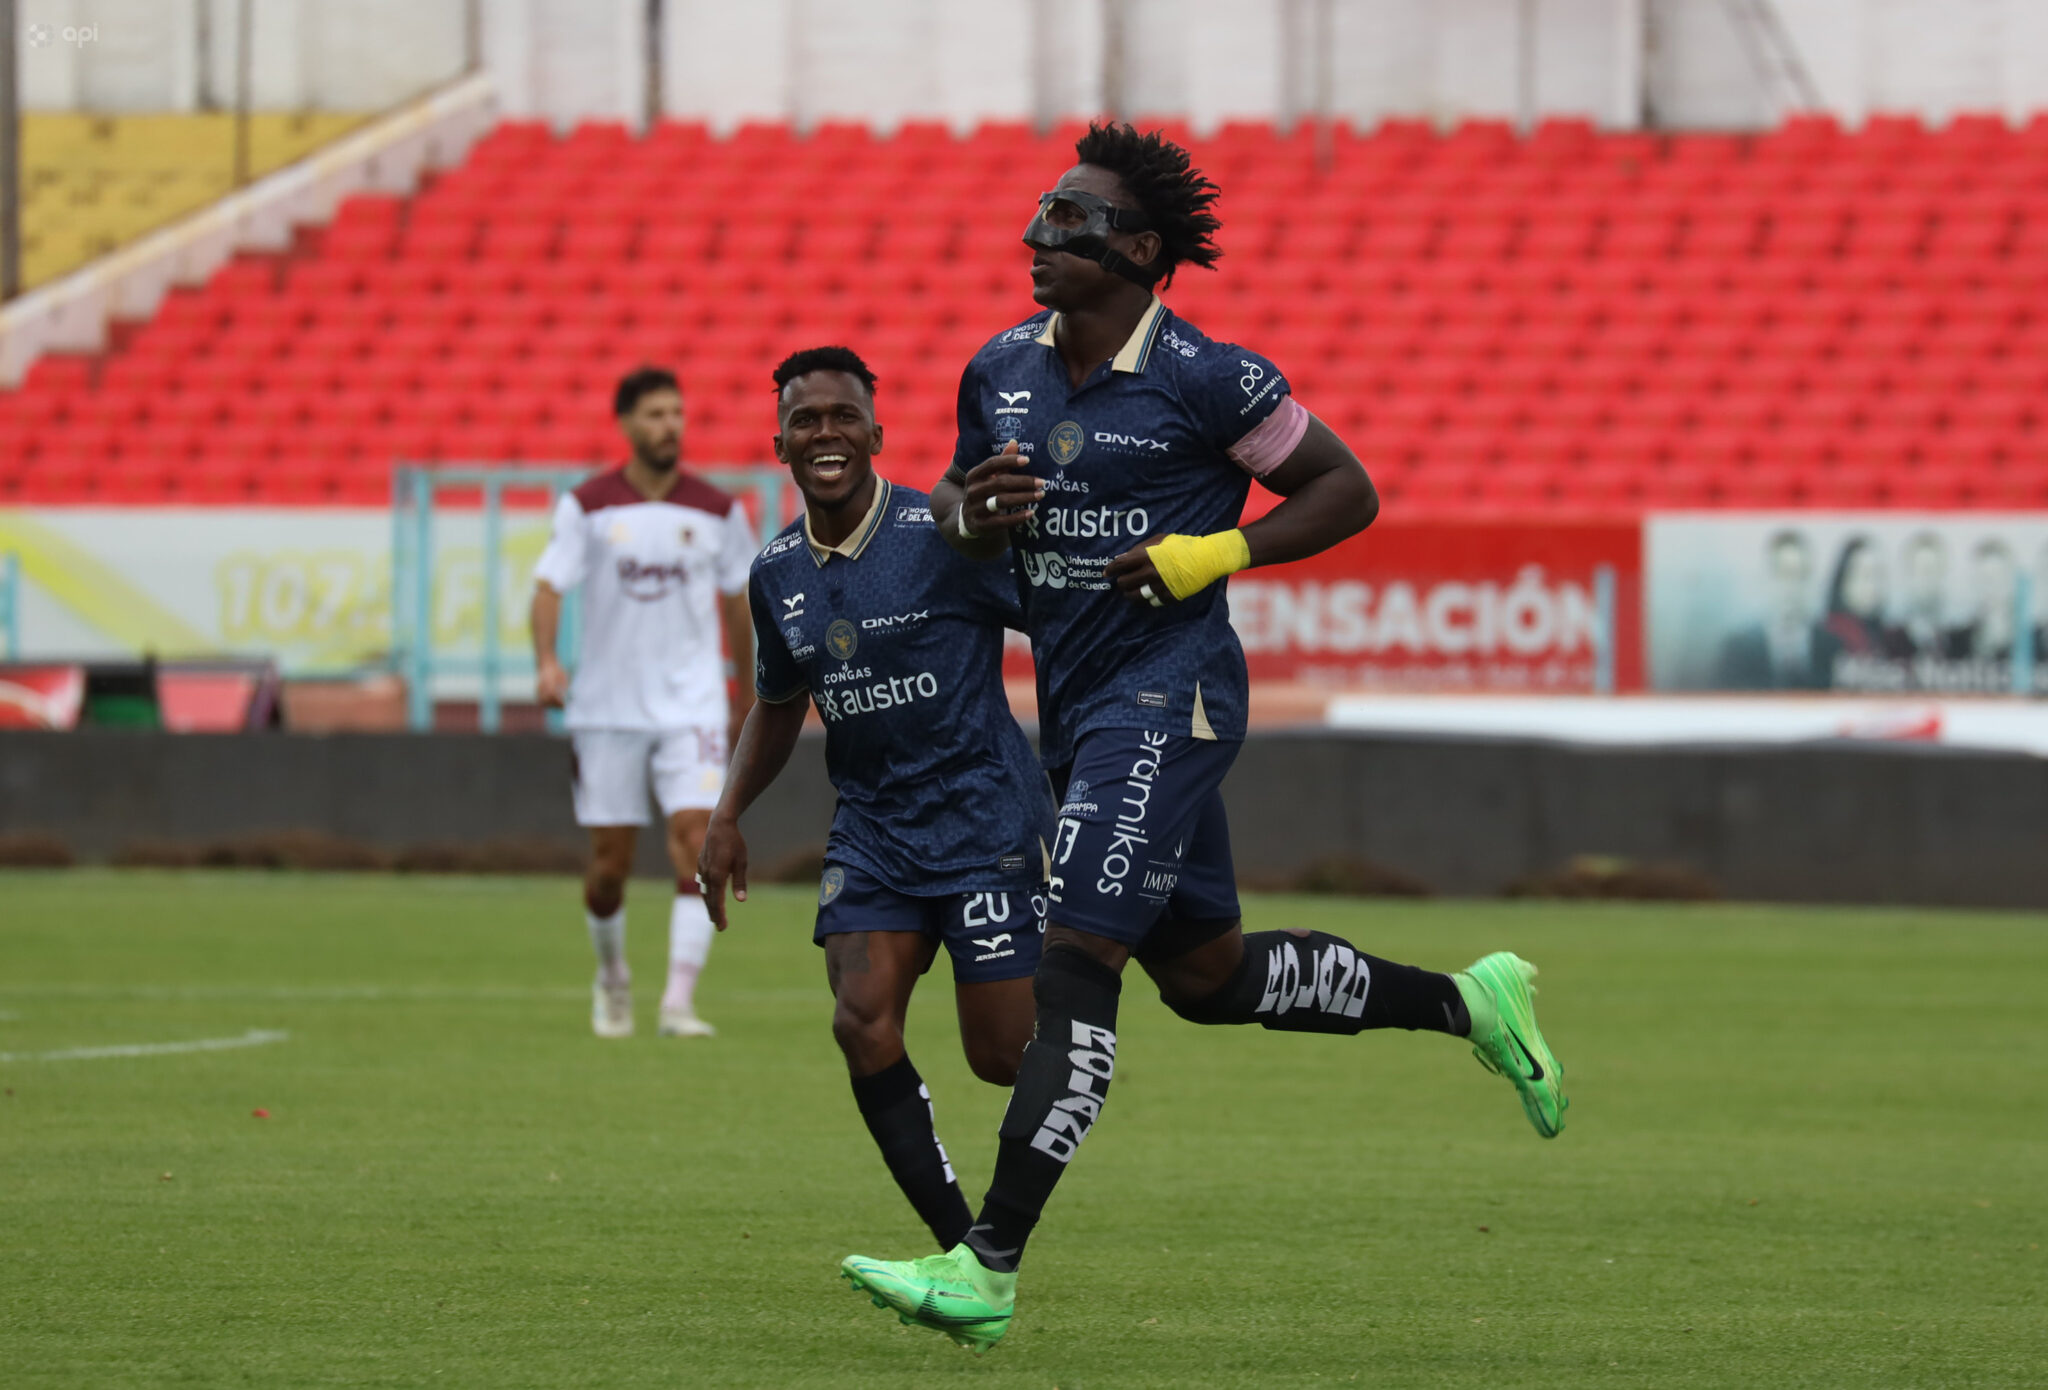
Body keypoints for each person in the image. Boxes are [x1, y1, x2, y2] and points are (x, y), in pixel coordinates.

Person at [838, 122, 1567, 1354]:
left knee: (1074, 951)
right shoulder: (1000, 366)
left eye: (1065, 221)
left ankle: (990, 1262)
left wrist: (1217, 549)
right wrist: (974, 515)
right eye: (1037, 213)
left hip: (1168, 697)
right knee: (1208, 979)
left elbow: (1346, 488)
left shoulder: (1209, 379)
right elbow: (957, 502)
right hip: (1074, 710)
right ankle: (1468, 1005)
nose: (1035, 235)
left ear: (1136, 249)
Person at [695, 346, 1052, 1250]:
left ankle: (1086, 1002)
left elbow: (1059, 618)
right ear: (779, 443)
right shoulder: (775, 573)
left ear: (876, 435)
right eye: (806, 420)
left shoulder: (943, 536)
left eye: (843, 417)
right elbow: (778, 705)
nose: (825, 434)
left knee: (1003, 1057)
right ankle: (963, 1249)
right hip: (875, 835)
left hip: (985, 823)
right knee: (861, 1022)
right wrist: (728, 812)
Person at [530, 365, 756, 1040]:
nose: (669, 427)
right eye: (656, 415)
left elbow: (739, 599)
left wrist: (748, 692)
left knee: (696, 840)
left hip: (691, 707)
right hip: (606, 710)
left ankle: (678, 1003)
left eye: (677, 414)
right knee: (610, 866)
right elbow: (548, 587)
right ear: (627, 423)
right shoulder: (588, 506)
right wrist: (546, 660)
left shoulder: (717, 511)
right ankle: (612, 977)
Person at [1714, 529, 1828, 690]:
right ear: (1767, 578)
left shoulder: (1831, 645)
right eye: (1784, 573)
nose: (1792, 587)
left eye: (1801, 575)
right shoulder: (1737, 648)